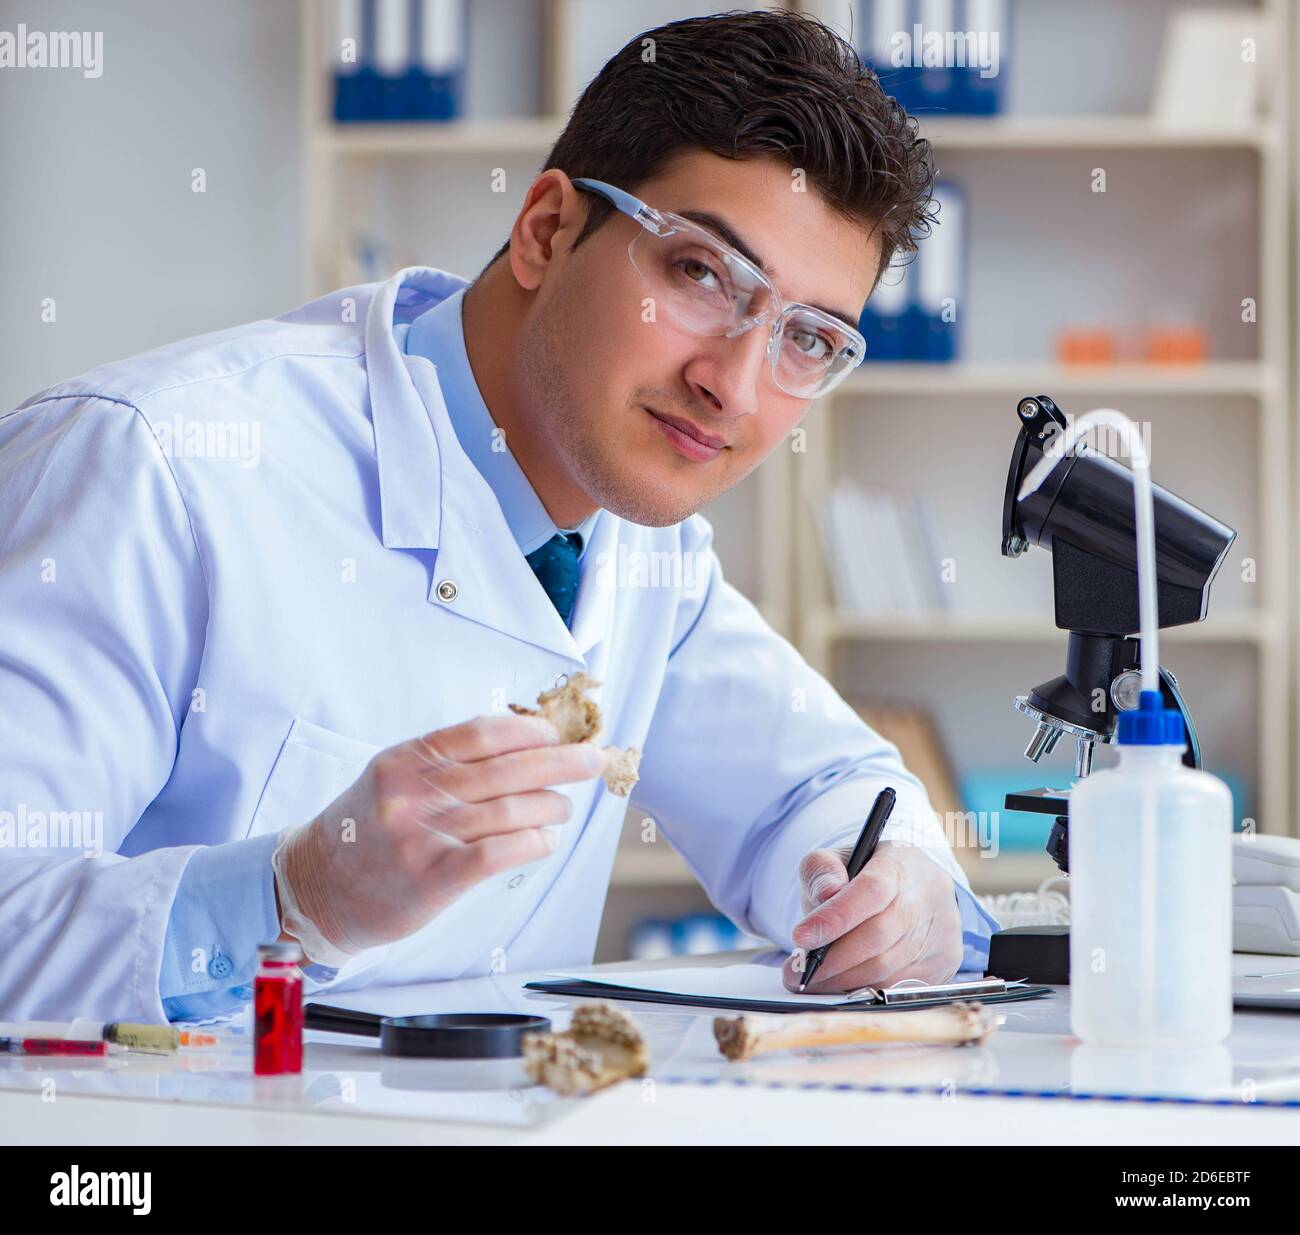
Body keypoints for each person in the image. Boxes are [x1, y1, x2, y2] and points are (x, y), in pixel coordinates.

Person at [0, 10, 997, 1022]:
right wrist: (287, 896)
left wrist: (901, 890)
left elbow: (819, 789)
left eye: (808, 337)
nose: (733, 387)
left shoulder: (643, 551)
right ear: (547, 230)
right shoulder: (153, 463)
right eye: (699, 273)